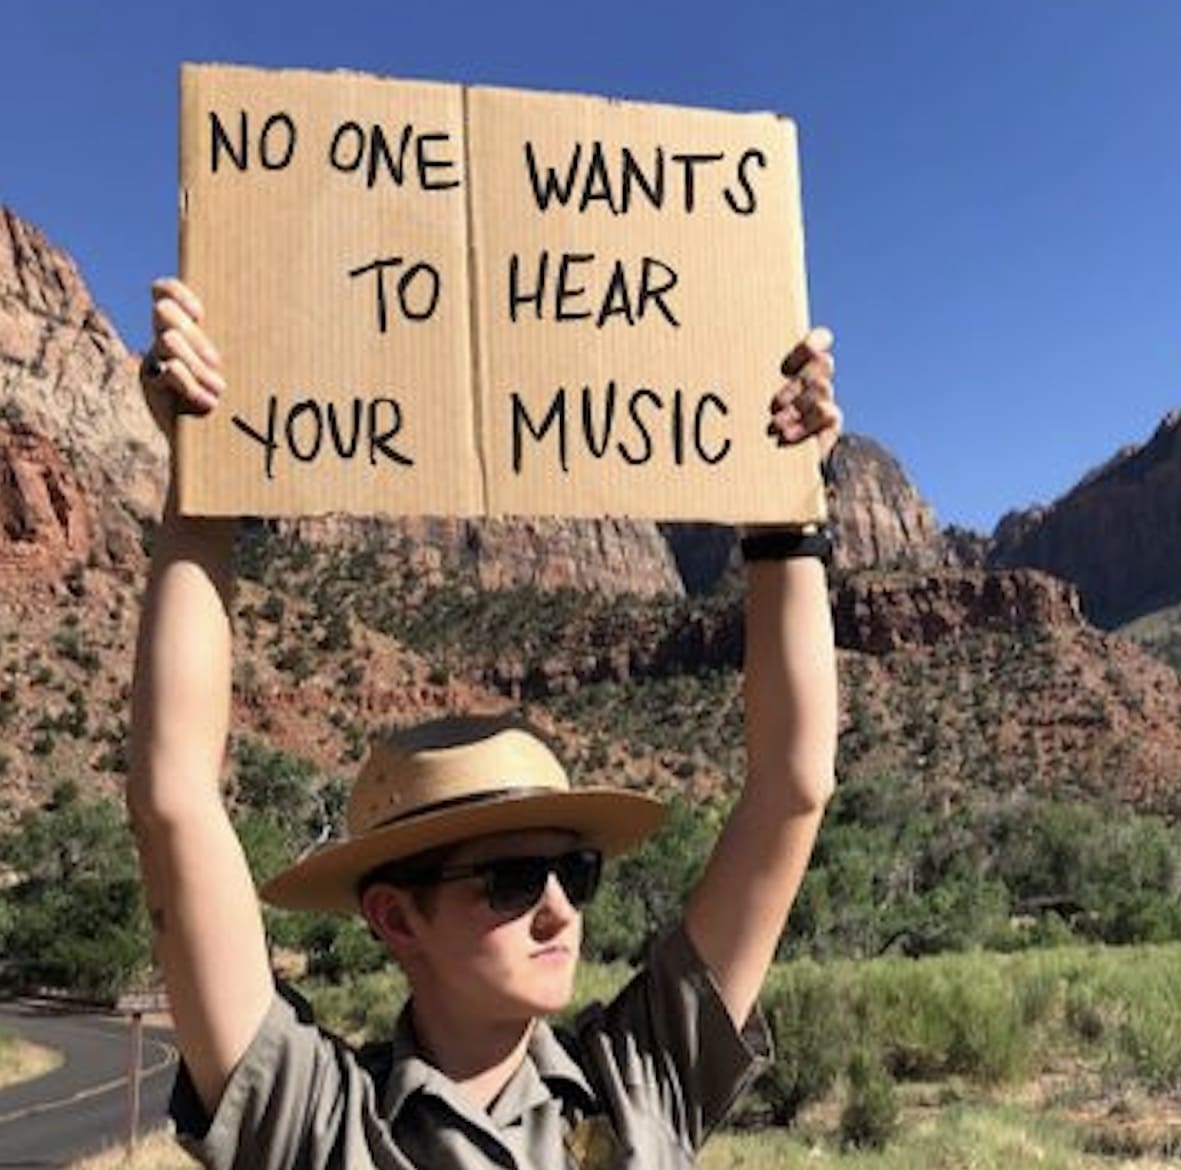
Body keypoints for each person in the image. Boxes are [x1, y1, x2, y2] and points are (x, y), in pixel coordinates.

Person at [128, 276, 841, 1169]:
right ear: (394, 917)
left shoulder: (638, 1078)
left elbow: (792, 788)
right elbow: (175, 800)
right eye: (509, 879)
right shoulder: (318, 1121)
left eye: (573, 872)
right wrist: (200, 493)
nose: (558, 910)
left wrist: (788, 518)